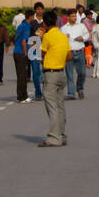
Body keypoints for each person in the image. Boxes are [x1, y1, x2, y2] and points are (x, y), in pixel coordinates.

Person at [37, 10, 70, 147]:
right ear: (56, 21)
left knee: (52, 106)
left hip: (50, 73)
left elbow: (42, 53)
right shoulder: (63, 36)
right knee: (60, 105)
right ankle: (61, 135)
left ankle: (53, 137)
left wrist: (41, 37)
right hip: (62, 73)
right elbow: (69, 56)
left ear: (44, 23)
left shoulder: (47, 37)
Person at [62, 9, 89, 99]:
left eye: (75, 16)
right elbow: (61, 40)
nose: (74, 18)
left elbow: (87, 35)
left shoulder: (81, 26)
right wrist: (65, 38)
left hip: (80, 51)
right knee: (69, 74)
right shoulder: (64, 28)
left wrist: (83, 38)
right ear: (68, 17)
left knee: (82, 73)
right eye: (72, 16)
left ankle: (80, 88)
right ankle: (71, 93)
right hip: (69, 53)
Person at [13, 9, 32, 103]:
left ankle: (23, 95)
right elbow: (24, 41)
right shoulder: (26, 26)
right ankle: (21, 96)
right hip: (21, 53)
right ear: (31, 17)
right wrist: (26, 53)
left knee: (21, 75)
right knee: (22, 75)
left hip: (16, 52)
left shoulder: (20, 26)